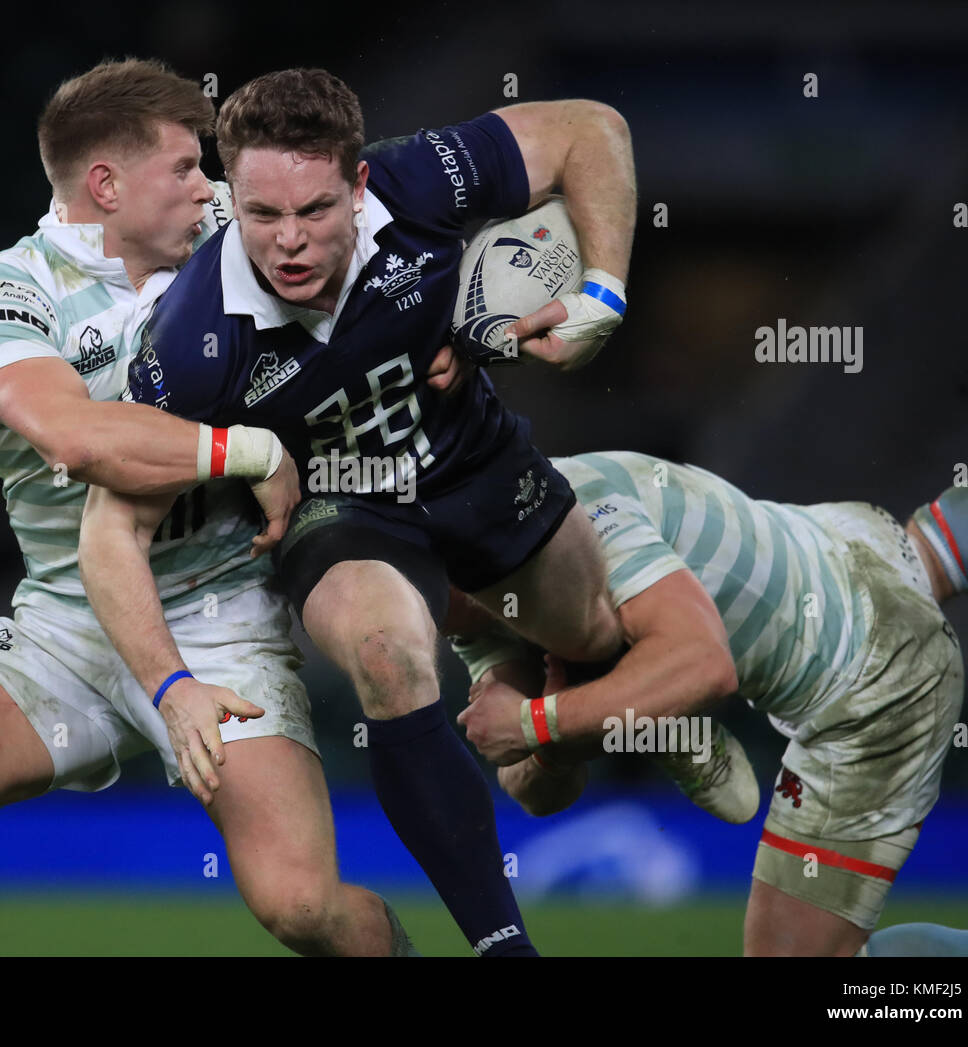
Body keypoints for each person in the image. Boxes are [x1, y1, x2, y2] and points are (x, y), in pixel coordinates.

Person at [0, 58, 419, 957]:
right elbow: (73, 435)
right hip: (68, 626)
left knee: (303, 909)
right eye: (187, 168)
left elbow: (365, 227)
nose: (212, 187)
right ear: (106, 184)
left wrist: (468, 332)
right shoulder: (10, 293)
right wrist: (249, 450)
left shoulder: (232, 247)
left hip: (222, 614)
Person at [106, 68, 638, 957]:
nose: (287, 243)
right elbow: (113, 528)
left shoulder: (417, 179)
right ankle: (505, 945)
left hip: (477, 463)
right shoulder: (189, 346)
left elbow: (593, 126)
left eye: (314, 210)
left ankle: (515, 668)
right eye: (260, 215)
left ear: (358, 186)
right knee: (388, 654)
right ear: (230, 195)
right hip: (342, 509)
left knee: (587, 669)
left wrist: (605, 296)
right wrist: (171, 683)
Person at [455, 452, 968, 957]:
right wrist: (549, 737)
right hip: (844, 539)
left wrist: (539, 722)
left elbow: (704, 665)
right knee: (931, 550)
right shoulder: (481, 584)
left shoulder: (572, 523)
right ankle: (663, 716)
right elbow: (538, 791)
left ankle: (664, 714)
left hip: (874, 671)